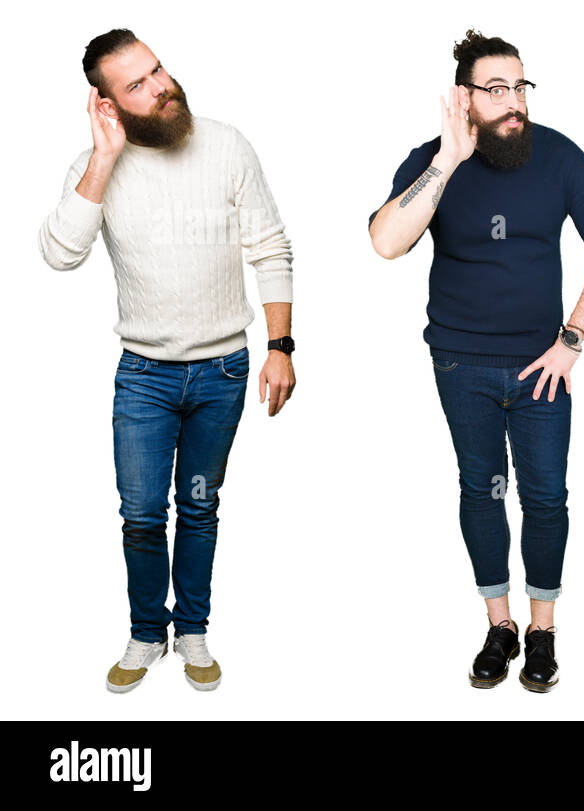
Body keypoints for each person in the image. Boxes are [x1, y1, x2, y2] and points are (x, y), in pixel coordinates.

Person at [368, 30, 584, 693]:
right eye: (496, 89)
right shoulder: (432, 161)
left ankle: (542, 629)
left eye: (520, 86)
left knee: (545, 495)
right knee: (481, 489)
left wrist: (572, 339)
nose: (513, 101)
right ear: (465, 98)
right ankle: (500, 623)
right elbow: (386, 241)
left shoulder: (560, 156)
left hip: (542, 370)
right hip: (461, 366)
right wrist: (451, 157)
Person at [39, 29, 298, 693]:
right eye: (137, 85)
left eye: (157, 70)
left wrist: (279, 346)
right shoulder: (96, 165)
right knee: (142, 513)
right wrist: (103, 157)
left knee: (201, 505)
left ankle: (194, 629)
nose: (160, 87)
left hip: (224, 373)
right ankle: (146, 631)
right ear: (108, 104)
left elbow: (270, 247)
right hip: (145, 380)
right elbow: (60, 253)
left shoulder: (225, 144)